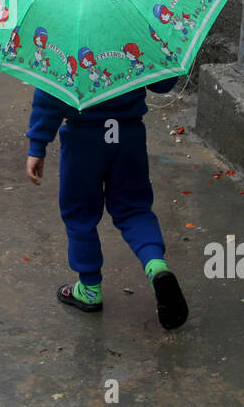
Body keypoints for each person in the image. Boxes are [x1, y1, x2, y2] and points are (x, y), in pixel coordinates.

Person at [25, 77, 189, 330]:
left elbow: (49, 96)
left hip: (83, 139)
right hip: (128, 135)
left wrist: (37, 146)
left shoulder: (66, 45)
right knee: (135, 209)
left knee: (80, 215)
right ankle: (156, 266)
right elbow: (162, 85)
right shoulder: (135, 37)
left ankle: (89, 290)